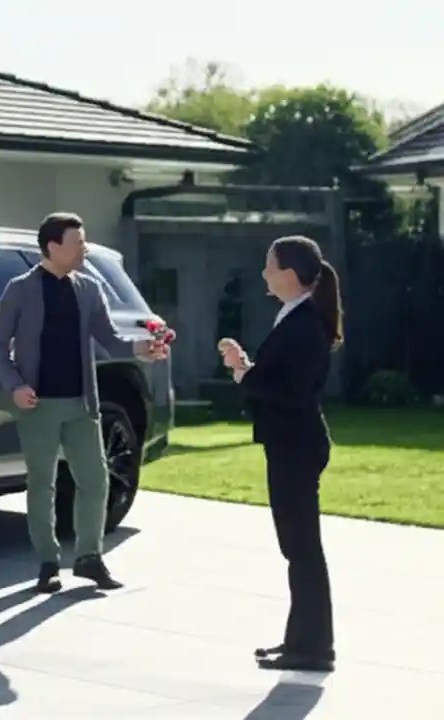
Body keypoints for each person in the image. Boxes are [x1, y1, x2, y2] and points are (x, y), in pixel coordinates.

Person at [0, 212, 169, 593]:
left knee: (95, 481)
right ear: (53, 246)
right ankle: (48, 563)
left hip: (81, 403)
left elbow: (111, 340)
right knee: (43, 484)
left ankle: (89, 558)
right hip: (37, 405)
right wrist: (15, 386)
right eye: (77, 243)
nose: (84, 249)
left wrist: (144, 348)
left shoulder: (89, 288)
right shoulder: (20, 290)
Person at [218, 234, 341, 673]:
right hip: (291, 443)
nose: (264, 274)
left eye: (270, 266)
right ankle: (301, 641)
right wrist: (248, 369)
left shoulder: (303, 323)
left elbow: (292, 392)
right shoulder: (295, 315)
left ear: (289, 273)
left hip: (296, 446)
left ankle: (313, 648)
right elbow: (284, 382)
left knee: (301, 550)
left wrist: (242, 373)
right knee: (298, 548)